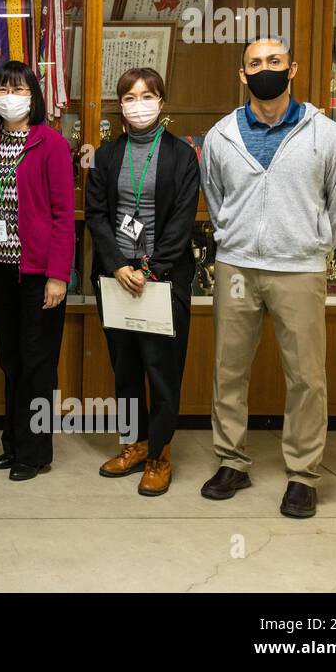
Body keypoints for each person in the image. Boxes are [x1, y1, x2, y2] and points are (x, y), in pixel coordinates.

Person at [199, 37, 336, 519]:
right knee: (228, 369)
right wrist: (232, 237)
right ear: (241, 75)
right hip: (237, 268)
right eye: (255, 63)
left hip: (299, 268)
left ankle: (303, 474)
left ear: (292, 68)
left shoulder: (326, 135)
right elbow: (214, 196)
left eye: (274, 60)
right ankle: (231, 461)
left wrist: (314, 242)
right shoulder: (221, 136)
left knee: (307, 376)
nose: (265, 68)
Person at [86, 68, 200, 495]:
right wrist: (118, 266)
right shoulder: (105, 154)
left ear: (161, 102)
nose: (139, 104)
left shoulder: (182, 155)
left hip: (162, 278)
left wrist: (150, 271)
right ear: (121, 105)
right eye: (130, 97)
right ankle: (133, 444)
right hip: (116, 277)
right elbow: (97, 214)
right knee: (126, 366)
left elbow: (182, 220)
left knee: (162, 367)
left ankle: (160, 453)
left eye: (147, 96)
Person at [0, 61, 74, 481]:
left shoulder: (51, 144)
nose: (10, 95)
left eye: (19, 88)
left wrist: (59, 276)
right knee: (10, 360)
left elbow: (64, 215)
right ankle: (13, 442)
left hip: (40, 274)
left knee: (37, 362)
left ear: (33, 96)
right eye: (3, 88)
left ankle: (36, 451)